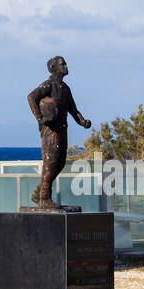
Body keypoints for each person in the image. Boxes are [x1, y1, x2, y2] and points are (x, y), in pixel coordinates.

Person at [26, 55, 91, 210]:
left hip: (62, 129)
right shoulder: (49, 85)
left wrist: (82, 121)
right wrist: (39, 118)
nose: (66, 66)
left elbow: (73, 110)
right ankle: (44, 197)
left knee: (60, 163)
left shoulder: (65, 89)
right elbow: (31, 97)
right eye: (63, 64)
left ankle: (39, 193)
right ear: (54, 68)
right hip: (51, 131)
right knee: (51, 163)